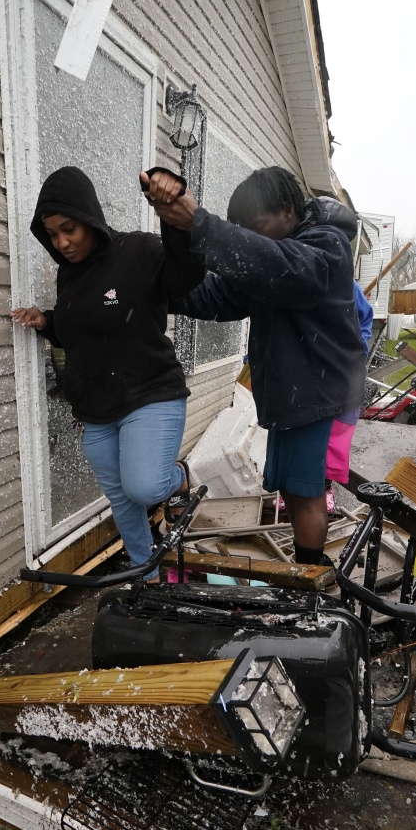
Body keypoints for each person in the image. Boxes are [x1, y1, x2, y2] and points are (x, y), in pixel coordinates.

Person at [149, 166, 366, 566]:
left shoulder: (324, 247)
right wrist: (158, 292)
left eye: (257, 226)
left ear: (288, 211)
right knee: (291, 489)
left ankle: (309, 580)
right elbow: (216, 296)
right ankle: (308, 571)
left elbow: (279, 267)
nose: (251, 237)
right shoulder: (271, 257)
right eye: (242, 230)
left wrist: (201, 224)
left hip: (319, 394)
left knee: (306, 493)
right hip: (292, 395)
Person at [11, 166, 203, 578]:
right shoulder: (69, 274)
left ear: (90, 218)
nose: (62, 242)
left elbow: (186, 276)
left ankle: (179, 476)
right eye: (53, 234)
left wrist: (171, 213)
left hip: (150, 395)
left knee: (146, 487)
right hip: (97, 411)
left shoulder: (139, 252)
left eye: (70, 229)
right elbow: (82, 328)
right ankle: (144, 574)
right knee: (122, 500)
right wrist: (46, 322)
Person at [324, 282, 375, 493]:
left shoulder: (347, 286)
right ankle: (296, 491)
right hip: (311, 380)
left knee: (335, 439)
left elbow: (365, 320)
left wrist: (356, 349)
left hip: (344, 378)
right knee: (307, 441)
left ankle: (326, 489)